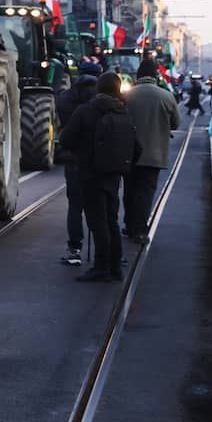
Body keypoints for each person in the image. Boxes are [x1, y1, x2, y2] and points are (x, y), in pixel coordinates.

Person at [61, 72, 141, 282]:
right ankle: (115, 267)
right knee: (111, 220)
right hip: (114, 175)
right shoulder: (122, 111)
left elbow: (66, 139)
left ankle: (101, 266)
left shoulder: (85, 111)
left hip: (90, 173)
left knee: (97, 223)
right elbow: (136, 146)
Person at [123, 59, 181, 244]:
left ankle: (129, 224)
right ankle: (139, 230)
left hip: (128, 153)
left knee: (129, 190)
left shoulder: (126, 95)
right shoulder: (166, 96)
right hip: (153, 154)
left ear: (138, 76)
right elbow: (176, 123)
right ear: (156, 76)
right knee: (145, 192)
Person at [55, 61, 101, 265]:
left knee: (75, 205)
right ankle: (104, 249)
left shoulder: (65, 98)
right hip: (100, 160)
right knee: (102, 206)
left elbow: (65, 132)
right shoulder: (104, 101)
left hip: (74, 160)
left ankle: (74, 248)